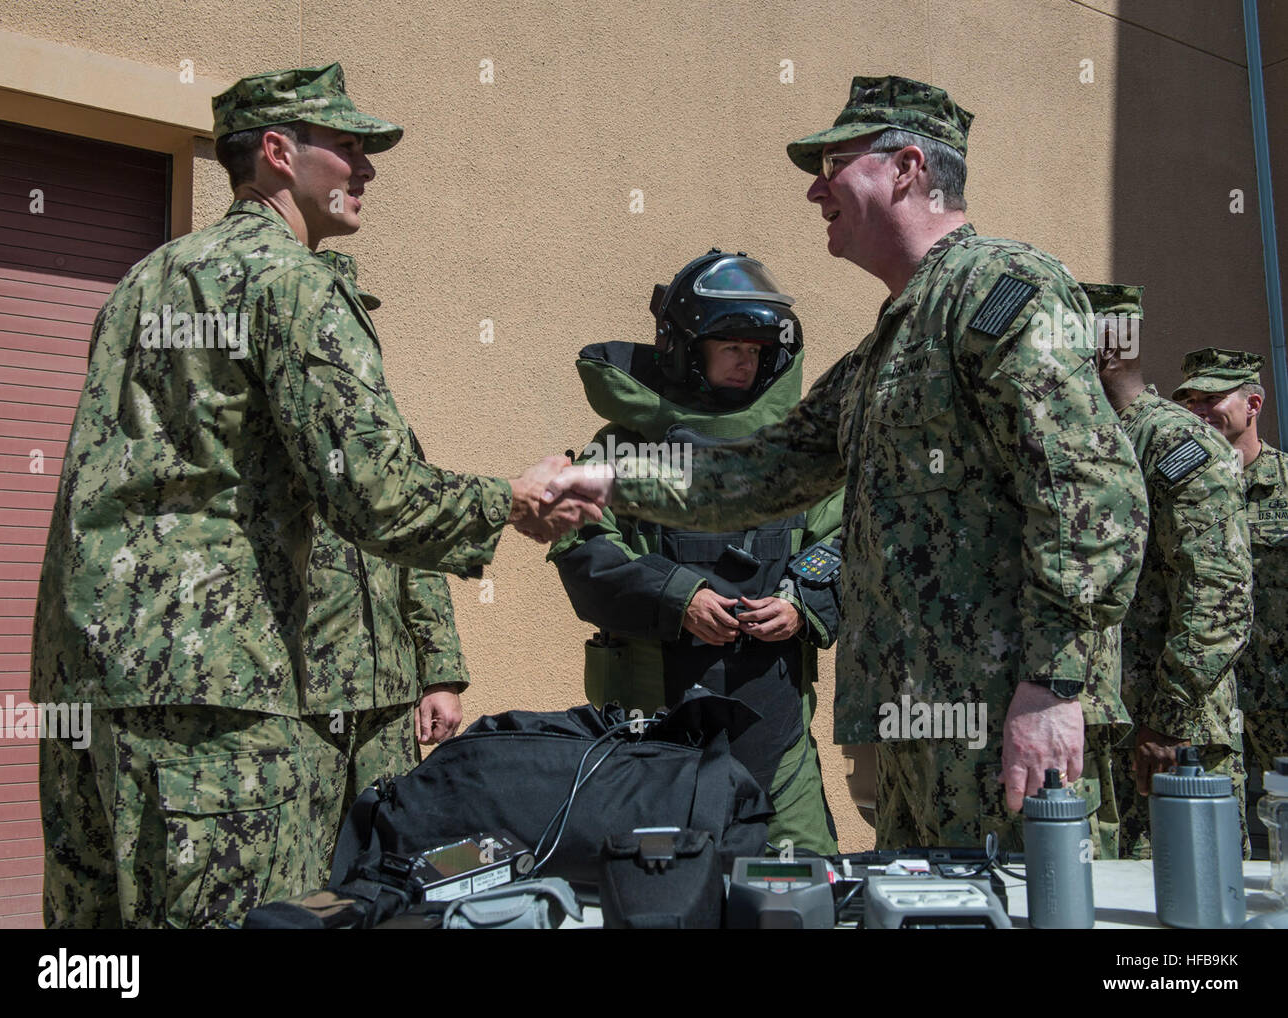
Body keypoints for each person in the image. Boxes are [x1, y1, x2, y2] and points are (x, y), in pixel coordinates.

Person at [30, 63, 597, 928]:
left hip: (93, 683)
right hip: (220, 694)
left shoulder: (144, 280)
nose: (365, 168)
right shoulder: (293, 283)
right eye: (347, 147)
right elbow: (371, 490)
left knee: (94, 951)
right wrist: (511, 502)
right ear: (277, 153)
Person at [546, 75, 1148, 850]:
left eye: (834, 163)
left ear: (906, 168)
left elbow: (1094, 493)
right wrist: (600, 480)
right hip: (913, 732)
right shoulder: (883, 351)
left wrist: (1055, 686)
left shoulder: (1001, 291)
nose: (814, 189)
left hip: (1002, 721)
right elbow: (759, 475)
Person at [548, 250, 843, 853]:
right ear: (685, 350)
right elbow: (584, 550)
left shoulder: (794, 450)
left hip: (779, 735)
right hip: (650, 740)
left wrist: (801, 601)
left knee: (806, 897)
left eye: (758, 350)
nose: (746, 361)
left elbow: (844, 540)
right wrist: (679, 598)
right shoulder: (623, 449)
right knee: (659, 896)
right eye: (730, 345)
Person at [301, 251, 470, 884]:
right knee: (302, 875)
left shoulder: (391, 435)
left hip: (389, 697)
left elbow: (420, 559)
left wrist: (441, 675)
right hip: (302, 699)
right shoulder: (264, 424)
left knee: (389, 859)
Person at [1085, 285, 1252, 859]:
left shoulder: (1176, 442)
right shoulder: (1094, 439)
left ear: (1104, 351)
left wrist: (1167, 719)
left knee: (1193, 904)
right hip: (1117, 727)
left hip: (1175, 739)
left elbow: (1221, 596)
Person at [1174, 349, 1288, 777]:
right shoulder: (1180, 492)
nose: (1198, 411)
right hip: (1211, 706)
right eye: (1190, 401)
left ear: (1253, 405)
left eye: (1211, 398)